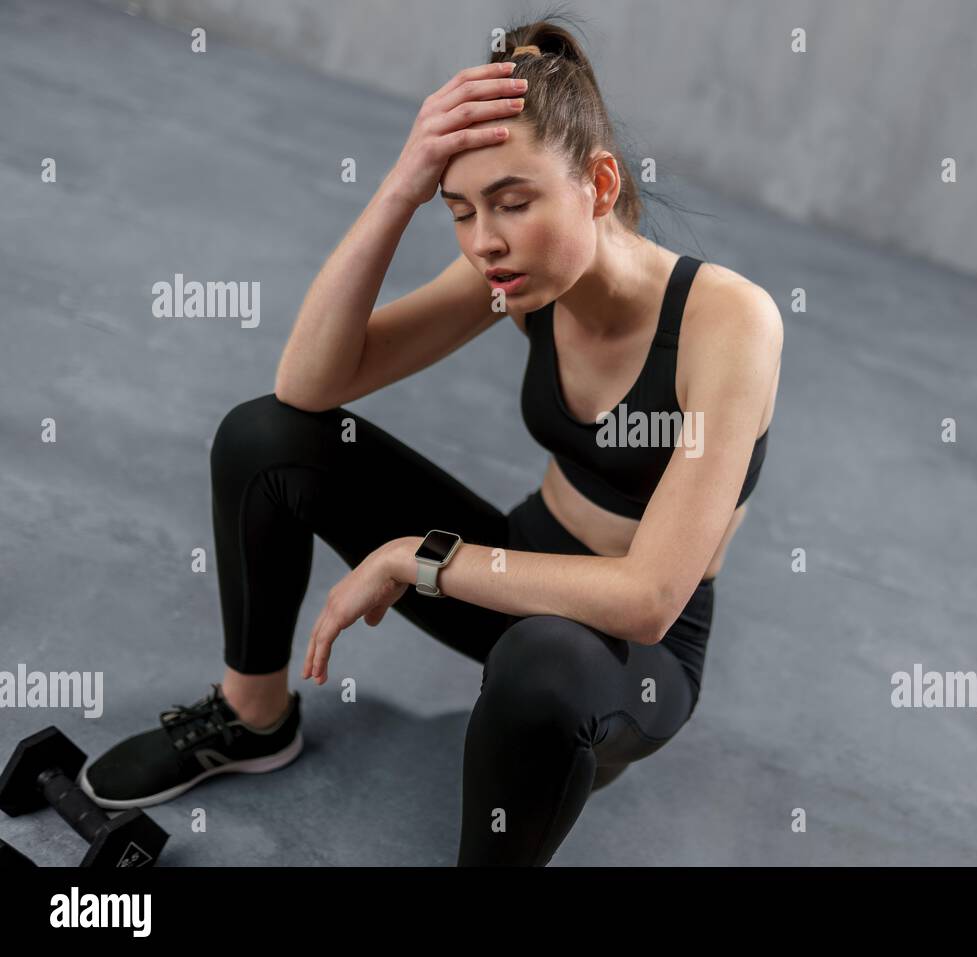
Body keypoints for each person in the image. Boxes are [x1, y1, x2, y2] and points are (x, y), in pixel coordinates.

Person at [79, 14, 782, 866]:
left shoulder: (729, 321)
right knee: (264, 437)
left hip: (630, 650)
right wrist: (398, 189)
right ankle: (252, 714)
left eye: (513, 202)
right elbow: (310, 386)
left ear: (599, 186)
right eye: (460, 210)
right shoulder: (516, 277)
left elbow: (648, 596)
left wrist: (417, 558)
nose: (485, 239)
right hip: (520, 563)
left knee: (544, 661)